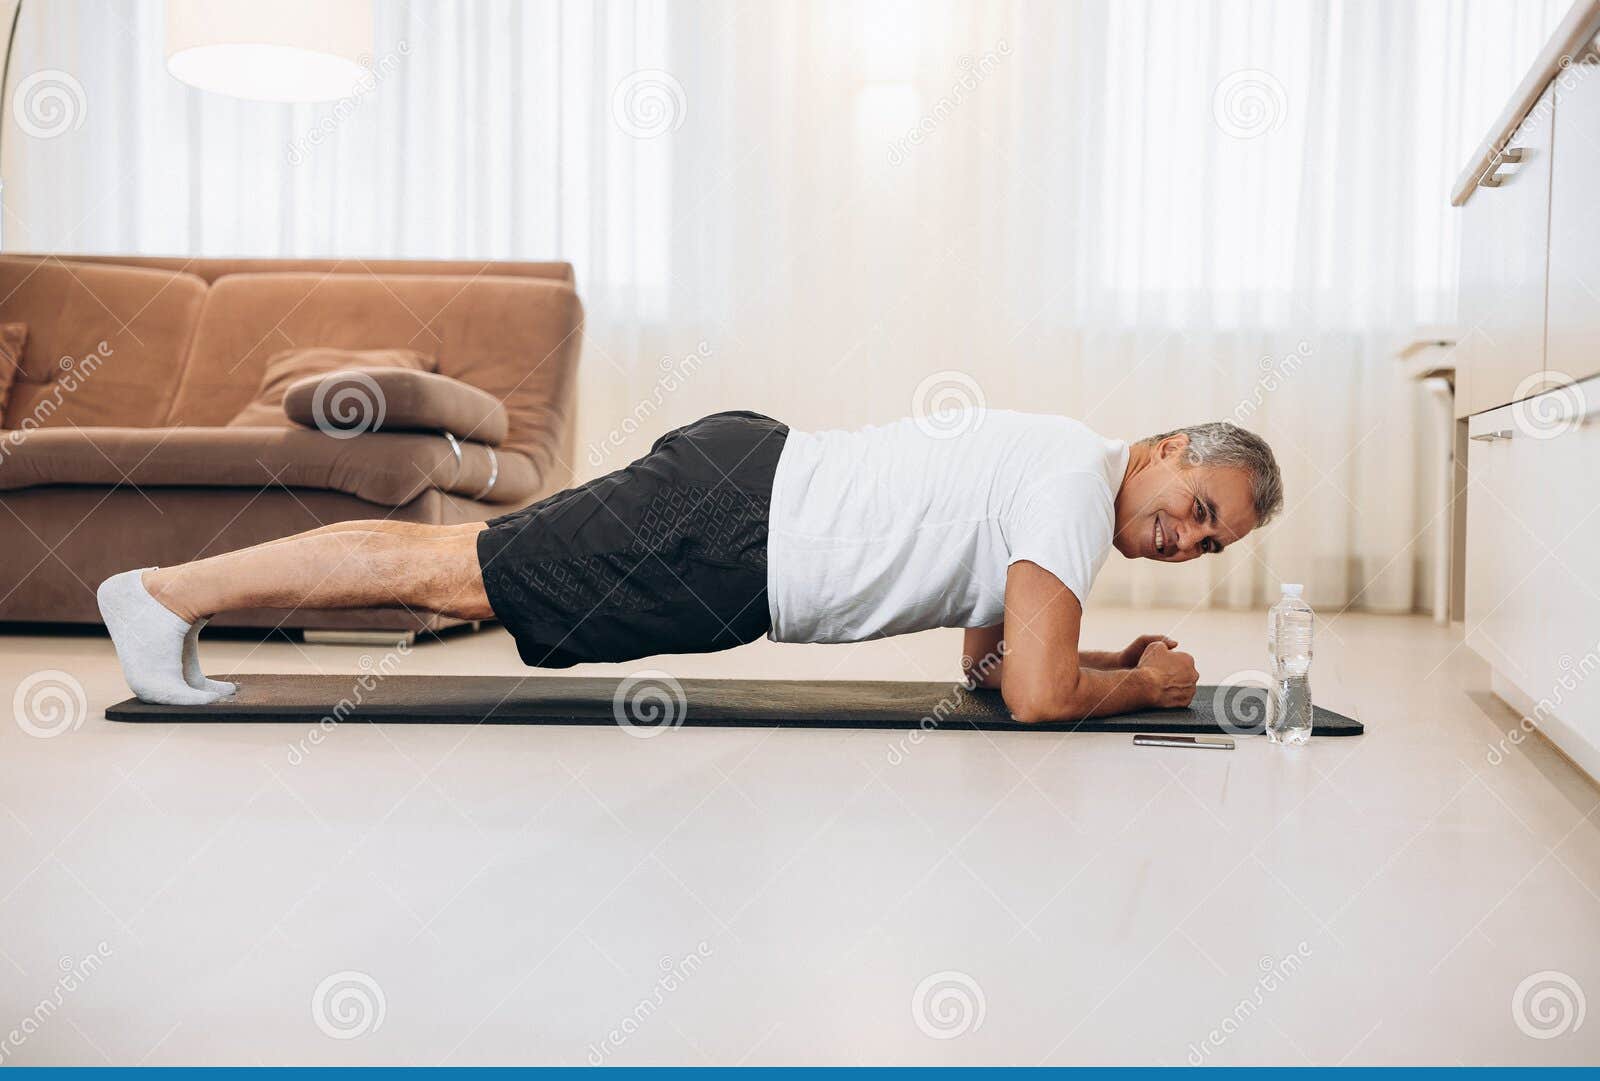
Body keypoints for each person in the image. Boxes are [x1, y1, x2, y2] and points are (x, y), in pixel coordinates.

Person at [97, 409, 1283, 720]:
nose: (1184, 541)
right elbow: (1032, 700)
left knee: (458, 568)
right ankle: (162, 596)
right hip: (734, 525)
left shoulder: (1064, 473)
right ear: (1167, 448)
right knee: (451, 569)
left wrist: (1094, 659)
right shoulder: (1074, 489)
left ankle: (173, 602)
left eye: (1207, 541)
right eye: (1193, 507)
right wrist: (1139, 686)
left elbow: (990, 661)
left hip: (739, 511)